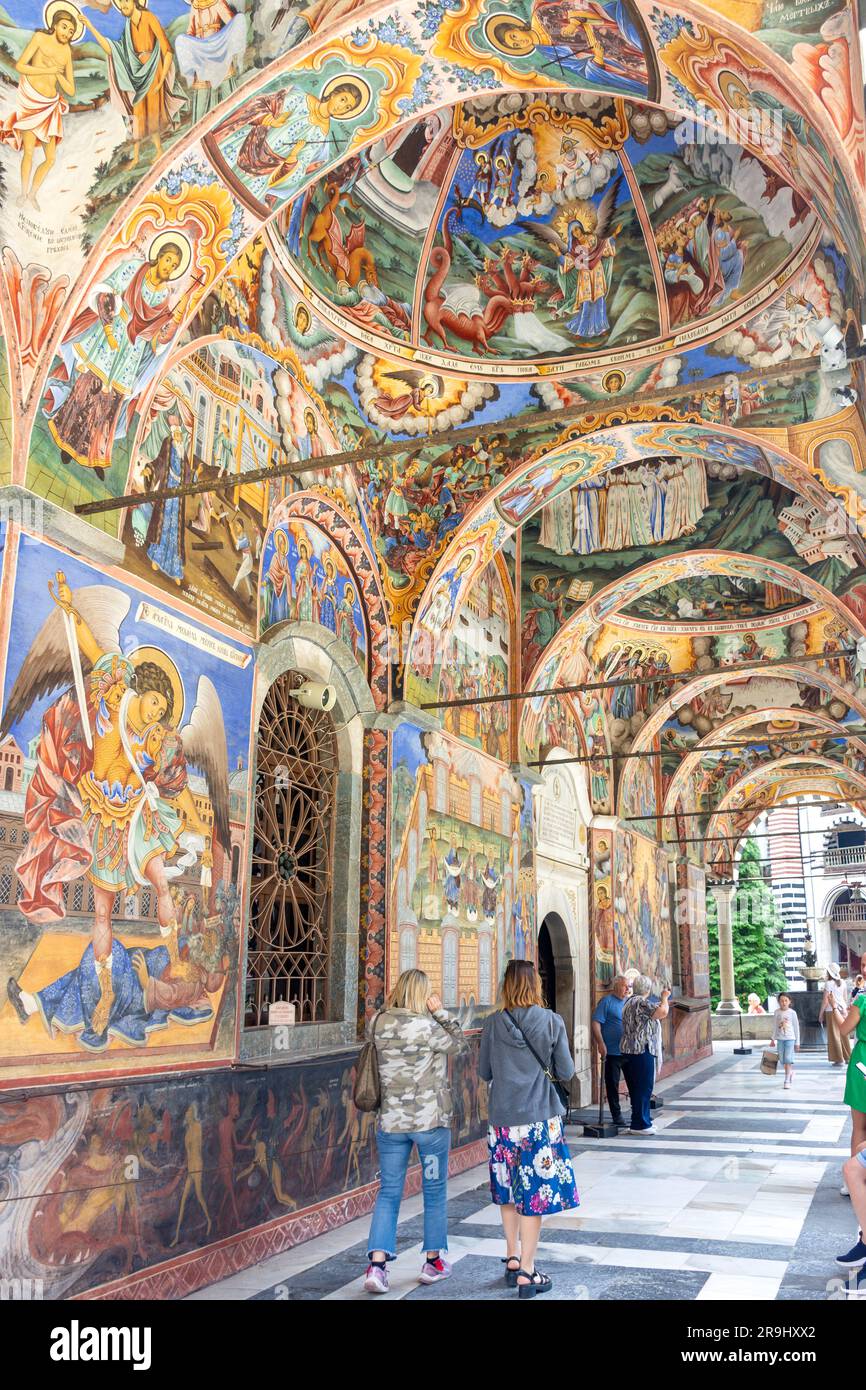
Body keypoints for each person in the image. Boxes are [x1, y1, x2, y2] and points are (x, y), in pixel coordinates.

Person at [363, 969, 467, 1295]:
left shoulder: (377, 1022)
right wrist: (440, 1012)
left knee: (389, 1192)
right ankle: (433, 1262)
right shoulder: (427, 1027)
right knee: (433, 1191)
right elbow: (460, 1044)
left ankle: (377, 1267)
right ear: (423, 994)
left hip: (391, 1124)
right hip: (429, 1126)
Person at [479, 959, 578, 1299]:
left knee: (507, 1191)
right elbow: (566, 1071)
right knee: (533, 1197)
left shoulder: (493, 1023)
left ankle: (512, 1256)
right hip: (538, 1123)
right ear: (535, 985)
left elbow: (485, 1073)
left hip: (503, 1123)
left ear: (506, 986)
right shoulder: (551, 1021)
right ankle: (528, 1271)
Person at [836, 984, 866, 1287]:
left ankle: (856, 1178)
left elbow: (845, 1030)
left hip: (862, 1062)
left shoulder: (863, 999)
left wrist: (838, 1010)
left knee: (859, 1126)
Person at [619, 975, 671, 1134]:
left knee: (636, 1088)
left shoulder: (629, 1002)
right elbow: (662, 1012)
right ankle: (642, 1124)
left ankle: (639, 1122)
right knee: (643, 1087)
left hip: (629, 1050)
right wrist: (664, 997)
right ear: (648, 989)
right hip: (641, 1050)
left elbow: (651, 1012)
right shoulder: (640, 1002)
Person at [591, 975, 631, 1129]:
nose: (627, 989)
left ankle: (637, 1112)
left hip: (629, 1051)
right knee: (612, 1084)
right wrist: (601, 1043)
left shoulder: (629, 1002)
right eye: (624, 986)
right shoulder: (606, 1002)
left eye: (628, 986)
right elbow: (596, 1022)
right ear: (616, 986)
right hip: (612, 1052)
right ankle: (617, 1115)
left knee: (633, 1082)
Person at [822, 965, 853, 1066]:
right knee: (844, 1034)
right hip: (842, 1009)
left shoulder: (828, 984)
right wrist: (845, 1010)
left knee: (834, 1034)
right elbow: (844, 998)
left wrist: (821, 1013)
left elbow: (826, 1000)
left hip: (831, 1010)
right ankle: (848, 1057)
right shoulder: (843, 982)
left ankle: (838, 1059)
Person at [771, 992, 800, 1090]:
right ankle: (790, 1072)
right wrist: (773, 1039)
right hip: (780, 1039)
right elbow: (775, 1026)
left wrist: (797, 1042)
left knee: (788, 1059)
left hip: (790, 1039)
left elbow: (796, 1028)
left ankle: (787, 1079)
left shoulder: (792, 1013)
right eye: (781, 1001)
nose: (783, 1003)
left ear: (789, 1002)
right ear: (779, 1002)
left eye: (786, 1000)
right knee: (782, 1060)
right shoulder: (776, 1012)